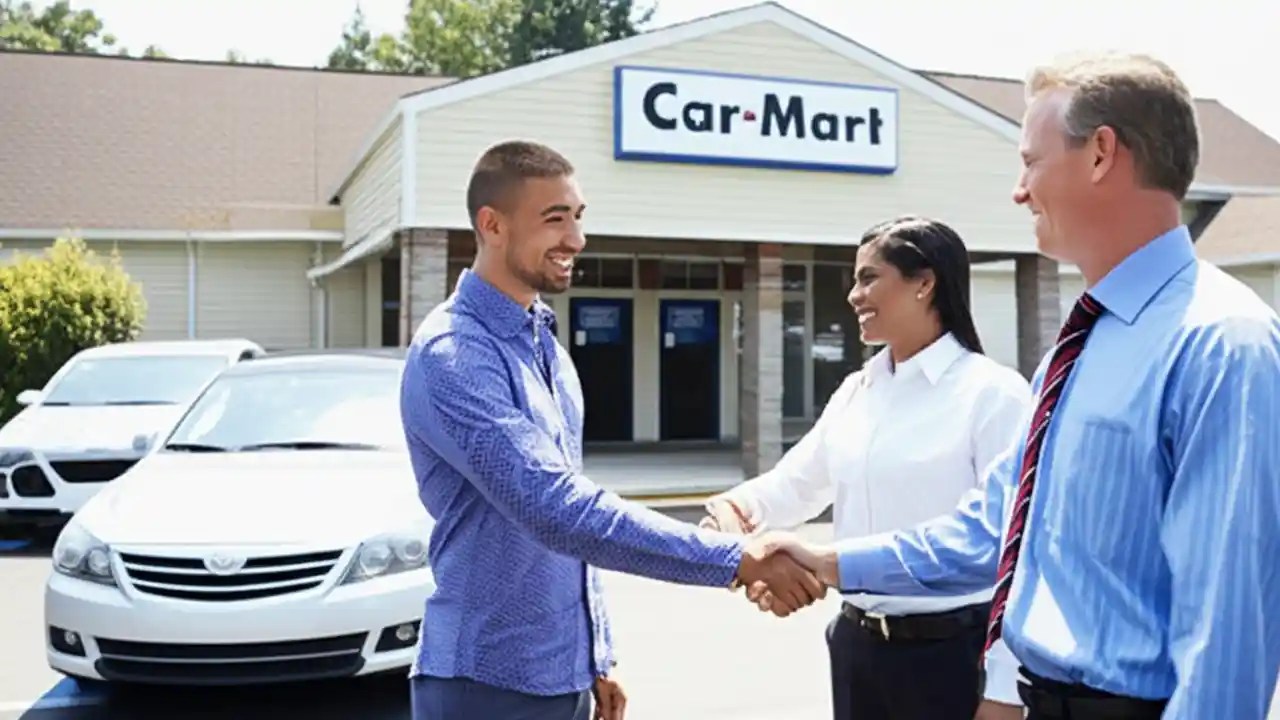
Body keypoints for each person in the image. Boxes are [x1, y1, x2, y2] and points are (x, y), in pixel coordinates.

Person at [753, 52, 1280, 720]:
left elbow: (1227, 638)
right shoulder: (1082, 342)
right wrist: (829, 563)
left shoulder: (1222, 345)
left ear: (1100, 155)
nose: (1020, 190)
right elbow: (995, 527)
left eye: (1031, 161)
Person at [398, 139, 827, 720]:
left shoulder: (542, 341)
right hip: (486, 682)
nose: (575, 240)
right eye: (554, 220)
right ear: (491, 225)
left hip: (563, 674)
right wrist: (736, 558)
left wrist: (595, 654)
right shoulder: (455, 353)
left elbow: (570, 512)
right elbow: (555, 508)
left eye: (578, 218)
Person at [700, 215, 1033, 720]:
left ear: (925, 283)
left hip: (952, 660)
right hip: (859, 650)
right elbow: (796, 484)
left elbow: (1011, 552)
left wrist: (1005, 691)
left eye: (869, 277)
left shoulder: (994, 394)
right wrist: (734, 508)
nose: (854, 295)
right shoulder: (860, 389)